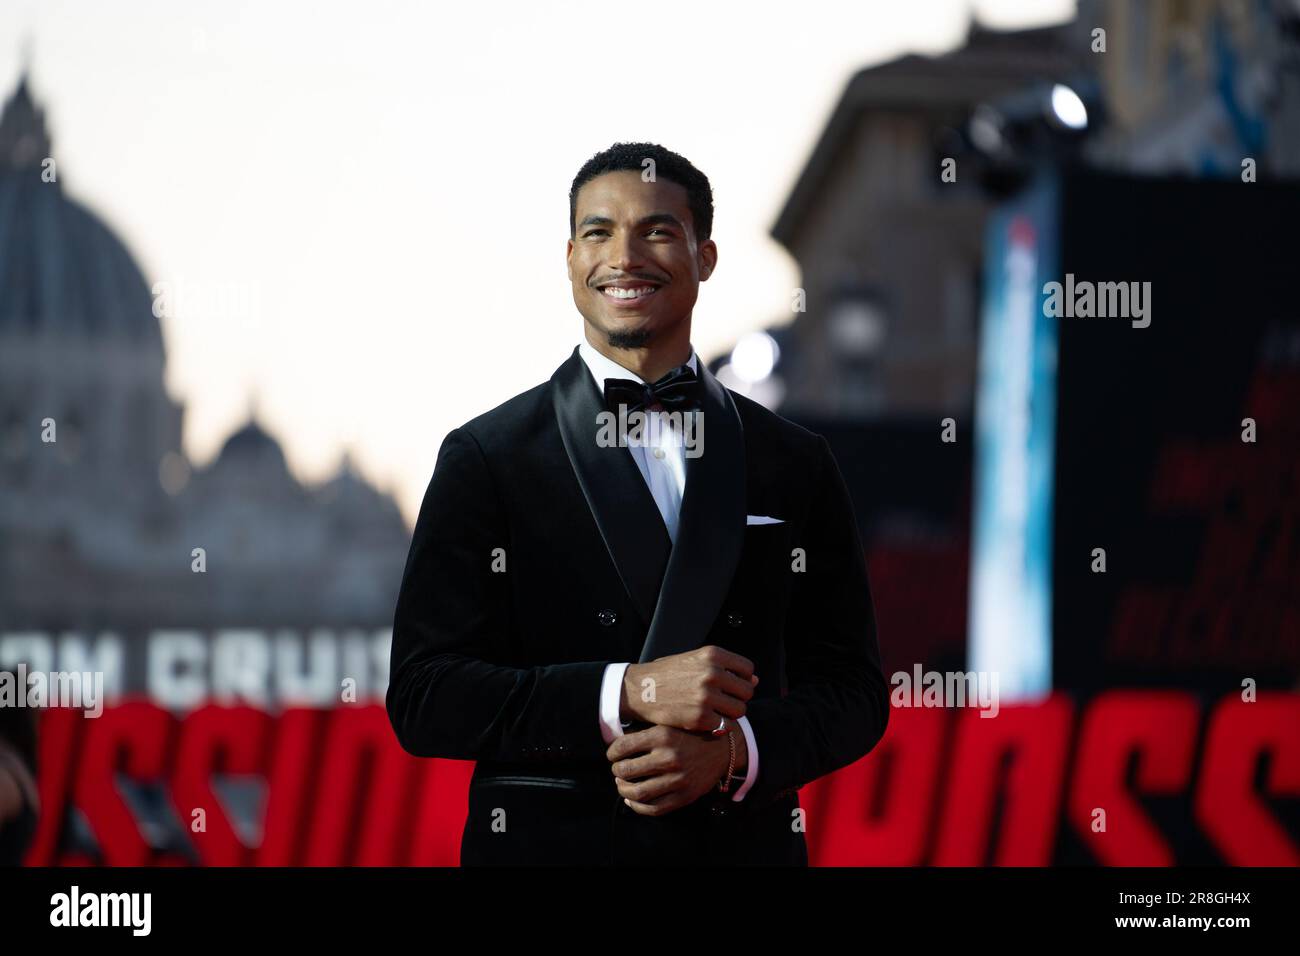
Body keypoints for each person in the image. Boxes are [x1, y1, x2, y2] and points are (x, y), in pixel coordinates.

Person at [386, 142, 889, 865]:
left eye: (656, 230)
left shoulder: (794, 460)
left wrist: (734, 756)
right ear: (569, 259)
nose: (623, 256)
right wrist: (628, 689)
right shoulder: (486, 458)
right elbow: (425, 696)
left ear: (705, 256)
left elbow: (855, 692)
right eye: (598, 232)